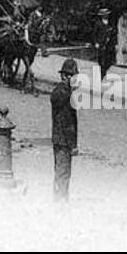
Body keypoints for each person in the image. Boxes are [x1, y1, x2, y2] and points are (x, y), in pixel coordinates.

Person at [51, 58, 79, 200]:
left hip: (64, 140)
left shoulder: (67, 92)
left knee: (64, 172)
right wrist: (72, 145)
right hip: (62, 139)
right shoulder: (61, 93)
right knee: (62, 172)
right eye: (69, 76)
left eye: (74, 76)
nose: (72, 79)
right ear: (63, 76)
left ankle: (61, 198)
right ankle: (60, 201)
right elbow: (68, 122)